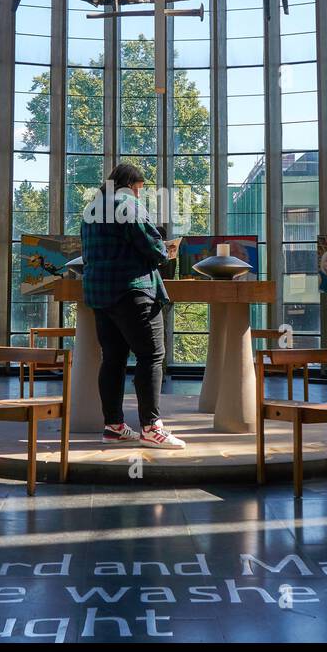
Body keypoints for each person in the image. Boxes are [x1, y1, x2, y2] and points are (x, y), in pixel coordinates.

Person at [81, 163, 185, 449]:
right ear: (131, 184)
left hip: (100, 295)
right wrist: (167, 249)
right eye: (139, 189)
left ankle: (114, 426)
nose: (140, 195)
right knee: (151, 355)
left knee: (113, 358)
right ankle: (151, 428)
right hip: (132, 292)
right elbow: (154, 248)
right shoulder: (127, 203)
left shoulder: (92, 208)